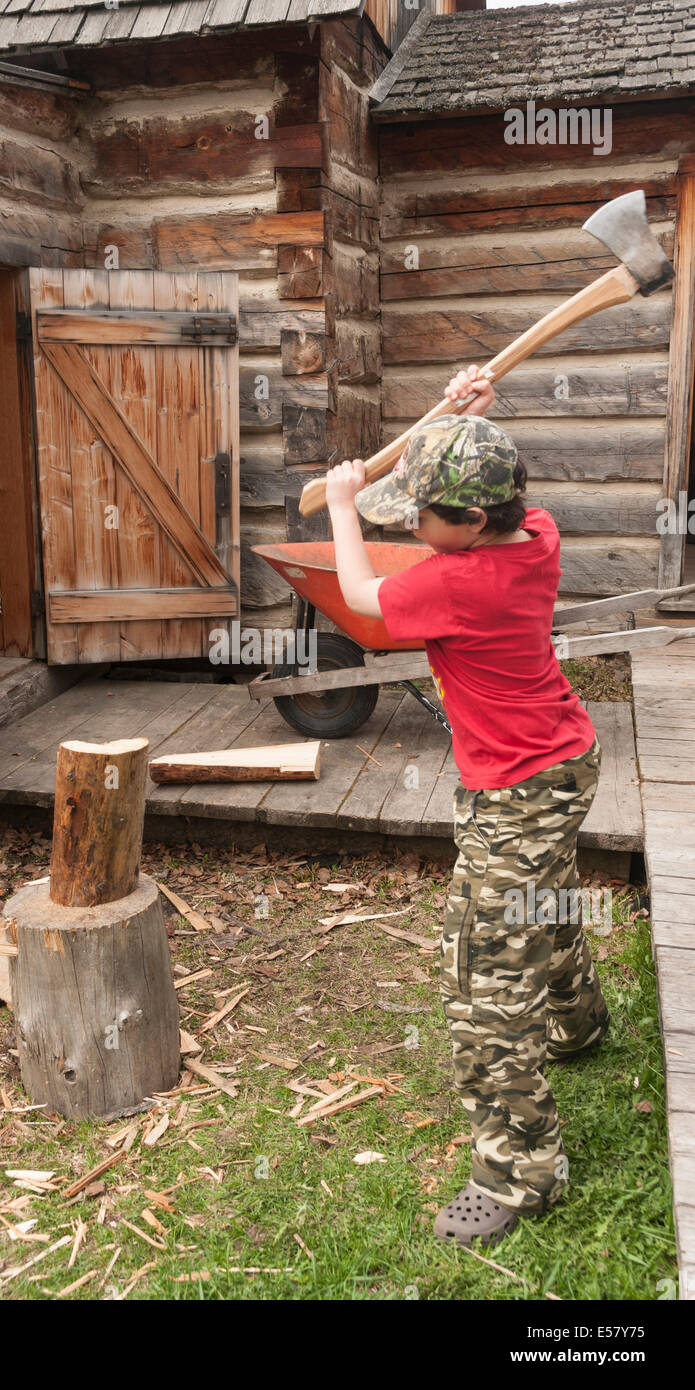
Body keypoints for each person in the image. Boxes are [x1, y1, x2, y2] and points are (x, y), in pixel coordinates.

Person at [324, 365, 610, 1246]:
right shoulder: (537, 537)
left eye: (424, 515)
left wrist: (343, 504)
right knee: (545, 899)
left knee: (482, 988)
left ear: (472, 522)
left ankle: (521, 1173)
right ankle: (577, 1021)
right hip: (567, 760)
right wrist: (462, 422)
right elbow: (492, 486)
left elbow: (363, 600)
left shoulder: (455, 584)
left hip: (516, 790)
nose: (410, 525)